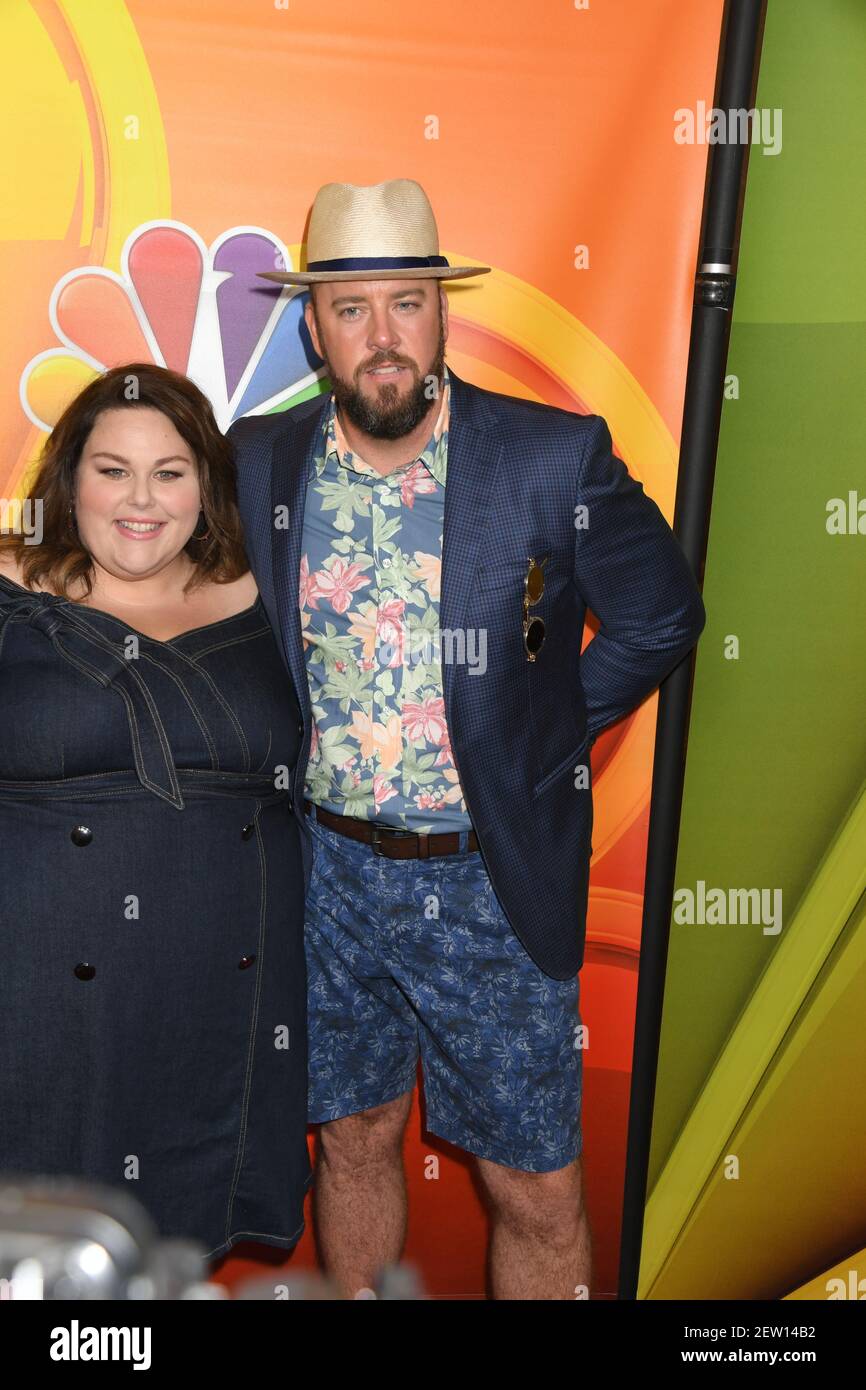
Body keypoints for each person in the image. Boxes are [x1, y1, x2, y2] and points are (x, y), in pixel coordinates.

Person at [228, 178, 707, 1299]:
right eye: (351, 309)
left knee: (532, 1187)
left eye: (406, 303)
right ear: (313, 326)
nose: (382, 337)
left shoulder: (551, 457)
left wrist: (533, 729)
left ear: (443, 313)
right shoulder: (260, 460)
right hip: (324, 873)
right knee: (348, 1141)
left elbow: (661, 617)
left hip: (486, 875)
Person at [0, 364, 310, 1263]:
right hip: (36, 987)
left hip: (221, 984)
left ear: (206, 487)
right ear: (70, 481)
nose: (142, 499)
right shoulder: (10, 594)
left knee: (179, 1236)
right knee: (41, 1233)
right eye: (112, 469)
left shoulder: (271, 598)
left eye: (170, 472)